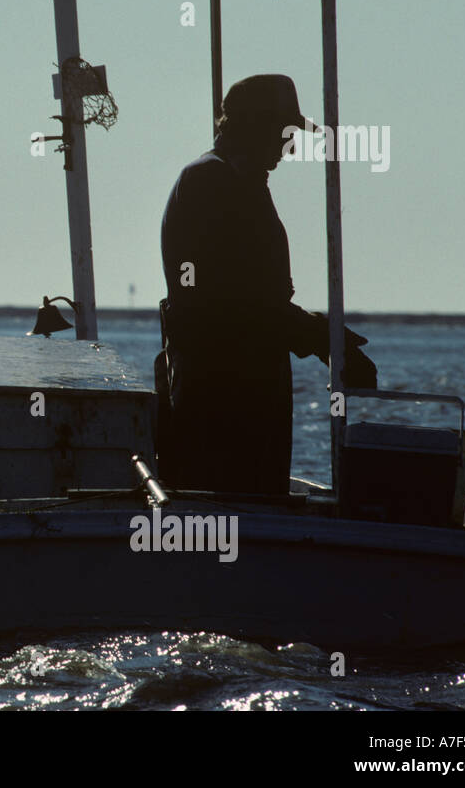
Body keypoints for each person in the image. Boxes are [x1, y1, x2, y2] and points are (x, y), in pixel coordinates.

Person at [156, 73, 376, 495]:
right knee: (227, 510)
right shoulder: (209, 183)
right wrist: (318, 336)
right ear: (253, 128)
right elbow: (226, 302)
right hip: (220, 398)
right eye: (284, 133)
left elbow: (252, 298)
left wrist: (322, 335)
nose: (290, 146)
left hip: (251, 389)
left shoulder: (243, 184)